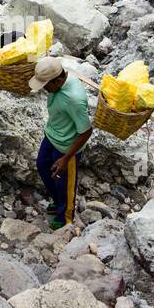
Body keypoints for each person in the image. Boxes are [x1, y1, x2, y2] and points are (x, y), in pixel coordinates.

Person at [29, 56, 92, 229]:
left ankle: (66, 217)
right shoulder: (57, 85)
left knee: (64, 182)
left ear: (57, 81)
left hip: (67, 147)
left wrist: (66, 158)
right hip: (52, 136)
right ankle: (57, 201)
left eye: (45, 86)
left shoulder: (74, 99)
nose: (43, 90)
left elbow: (86, 131)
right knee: (43, 166)